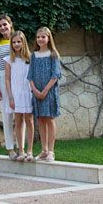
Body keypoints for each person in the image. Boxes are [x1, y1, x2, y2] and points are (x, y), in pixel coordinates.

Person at [29, 26, 62, 163]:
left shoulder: (53, 54)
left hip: (49, 92)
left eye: (43, 37)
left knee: (49, 119)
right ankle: (44, 150)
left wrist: (45, 91)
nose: (40, 39)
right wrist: (35, 90)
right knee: (41, 120)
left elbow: (55, 75)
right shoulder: (34, 56)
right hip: (37, 93)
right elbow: (30, 75)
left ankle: (51, 151)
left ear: (48, 38)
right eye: (38, 37)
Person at [4, 30, 34, 162]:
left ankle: (30, 151)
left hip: (28, 93)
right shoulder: (9, 60)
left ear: (23, 42)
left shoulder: (30, 58)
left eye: (19, 41)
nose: (16, 44)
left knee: (29, 121)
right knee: (18, 121)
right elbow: (7, 79)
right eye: (14, 42)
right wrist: (10, 97)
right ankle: (20, 150)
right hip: (15, 94)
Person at [0, 14, 15, 156]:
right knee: (7, 114)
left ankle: (21, 147)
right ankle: (10, 148)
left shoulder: (18, 39)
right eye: (0, 26)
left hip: (18, 79)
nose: (3, 28)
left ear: (10, 24)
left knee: (20, 113)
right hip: (2, 78)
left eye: (5, 24)